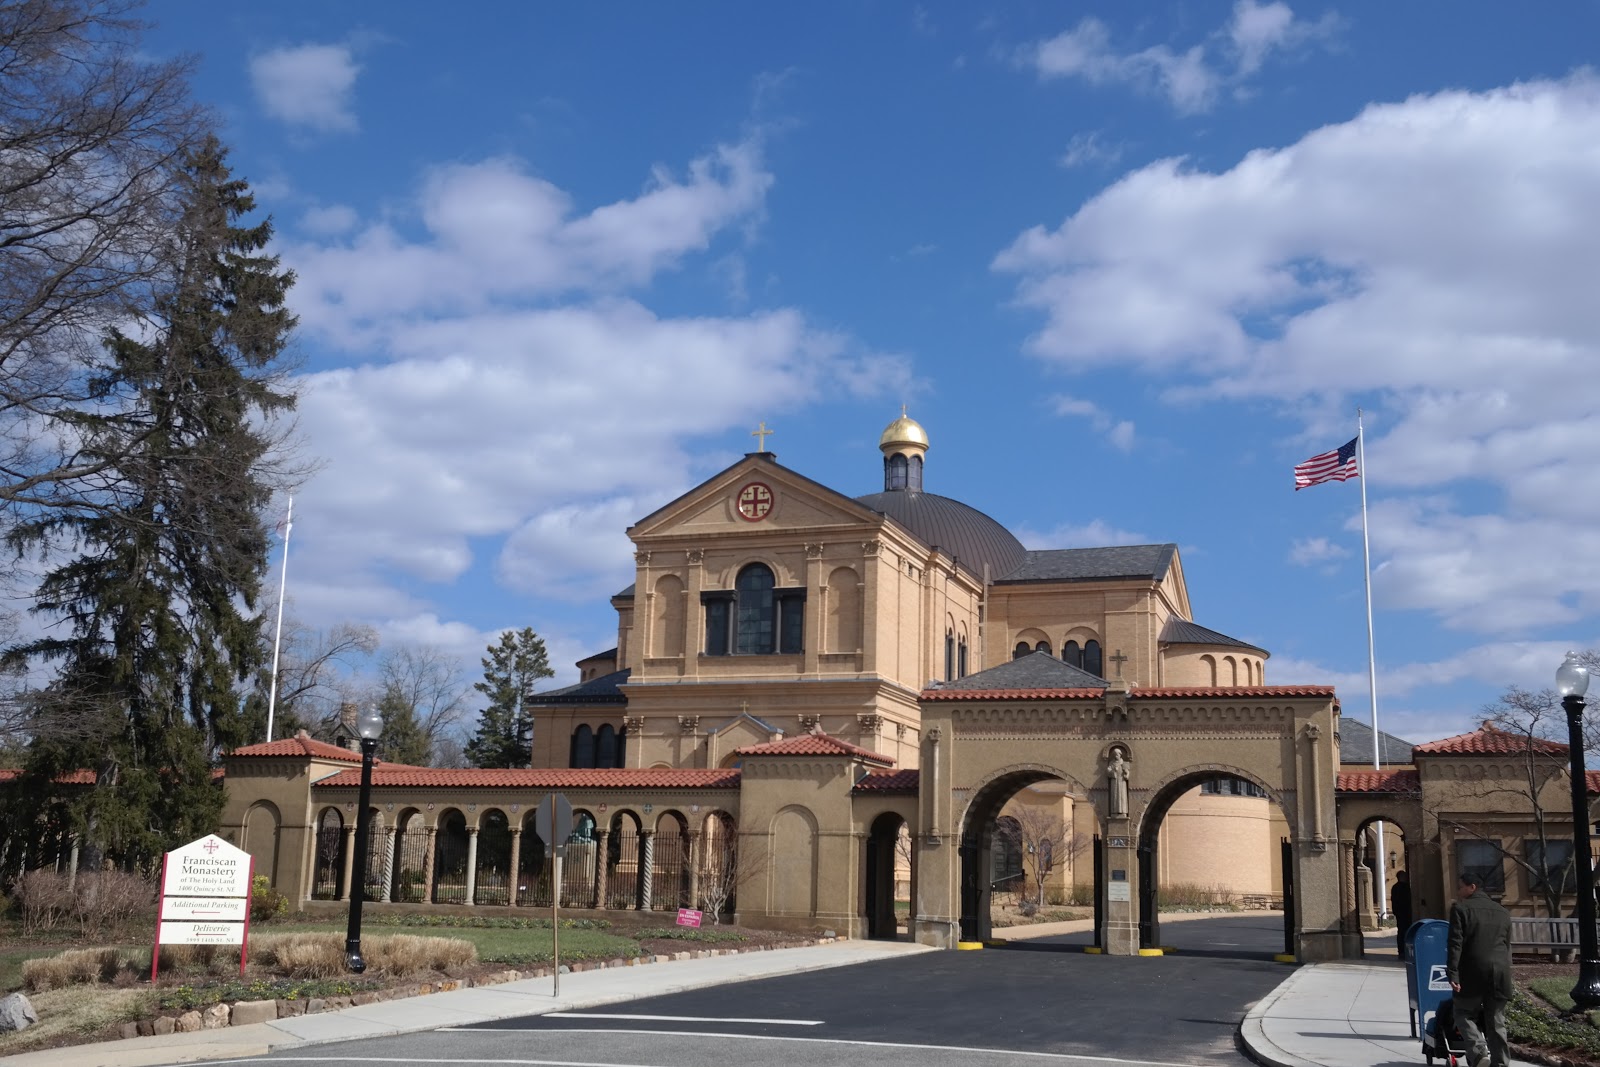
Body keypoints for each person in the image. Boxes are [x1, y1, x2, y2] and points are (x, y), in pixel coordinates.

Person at [1447, 870, 1513, 1067]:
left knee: (1463, 1012)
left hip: (1472, 971)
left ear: (1472, 887)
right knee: (1496, 1020)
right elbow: (1506, 944)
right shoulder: (1503, 911)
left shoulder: (1460, 909)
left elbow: (1455, 944)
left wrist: (1453, 973)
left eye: (1460, 887)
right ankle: (1501, 1063)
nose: (1458, 891)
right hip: (1500, 972)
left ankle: (1478, 1053)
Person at [1392, 869, 1414, 958]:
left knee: (1401, 931)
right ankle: (1405, 950)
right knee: (1406, 931)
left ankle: (1401, 950)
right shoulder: (1405, 887)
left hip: (1399, 913)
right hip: (1406, 913)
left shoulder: (1395, 887)